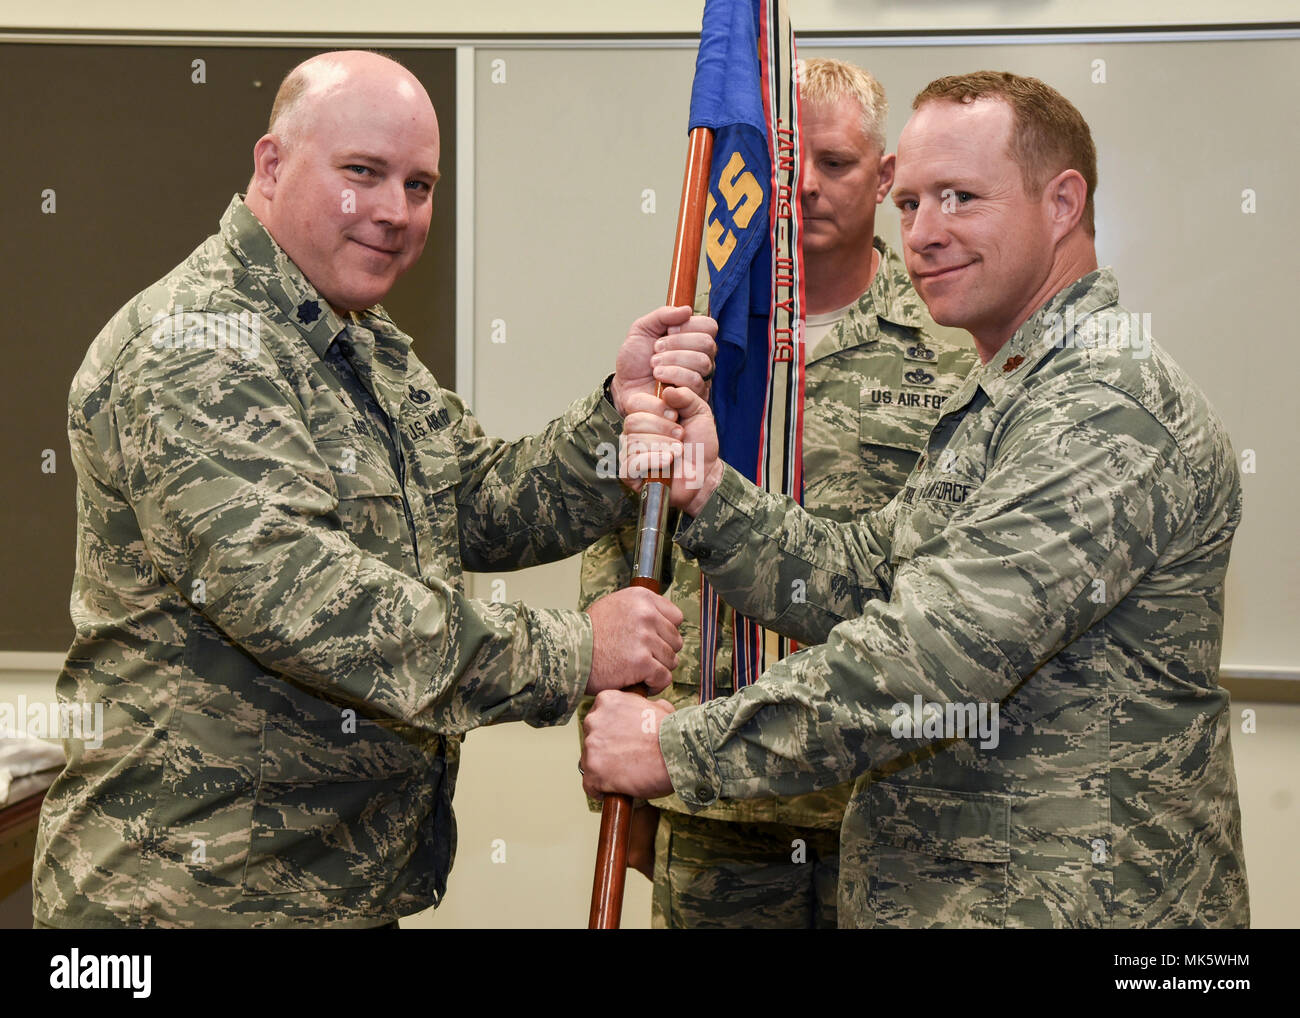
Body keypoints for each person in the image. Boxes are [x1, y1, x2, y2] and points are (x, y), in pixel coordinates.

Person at [35, 50, 716, 929]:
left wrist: (613, 427)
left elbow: (475, 502)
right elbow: (304, 601)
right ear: (272, 164)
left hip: (324, 893)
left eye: (421, 184)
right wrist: (575, 649)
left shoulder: (361, 338)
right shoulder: (198, 347)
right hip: (187, 900)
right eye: (364, 173)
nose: (395, 212)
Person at [584, 71, 1249, 928]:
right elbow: (868, 573)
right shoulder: (1012, 392)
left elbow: (930, 658)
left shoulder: (1101, 407)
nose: (926, 233)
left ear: (1063, 203)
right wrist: (712, 499)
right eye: (910, 205)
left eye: (961, 199)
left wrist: (674, 747)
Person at [576, 59, 972, 929]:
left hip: (885, 795)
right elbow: (616, 538)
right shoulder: (693, 342)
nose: (803, 188)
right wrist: (614, 737)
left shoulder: (952, 347)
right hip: (709, 801)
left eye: (833, 163)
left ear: (885, 175)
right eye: (784, 164)